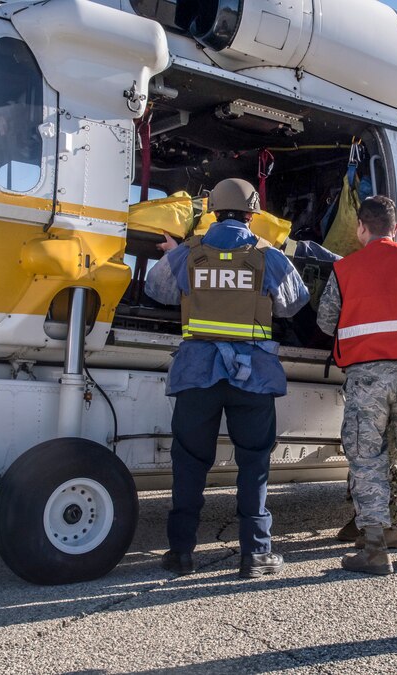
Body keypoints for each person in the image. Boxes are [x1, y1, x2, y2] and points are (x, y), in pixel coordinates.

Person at [145, 178, 309, 578]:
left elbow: (156, 290)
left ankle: (181, 553)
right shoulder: (269, 256)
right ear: (253, 214)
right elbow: (294, 303)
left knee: (190, 463)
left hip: (197, 372)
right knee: (253, 464)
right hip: (252, 376)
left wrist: (176, 256)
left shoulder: (188, 253)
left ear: (213, 211)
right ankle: (255, 555)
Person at [316, 195, 397, 575]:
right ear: (396, 228)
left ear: (361, 228)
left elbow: (326, 321)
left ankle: (374, 549)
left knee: (367, 460)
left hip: (366, 379)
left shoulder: (344, 269)